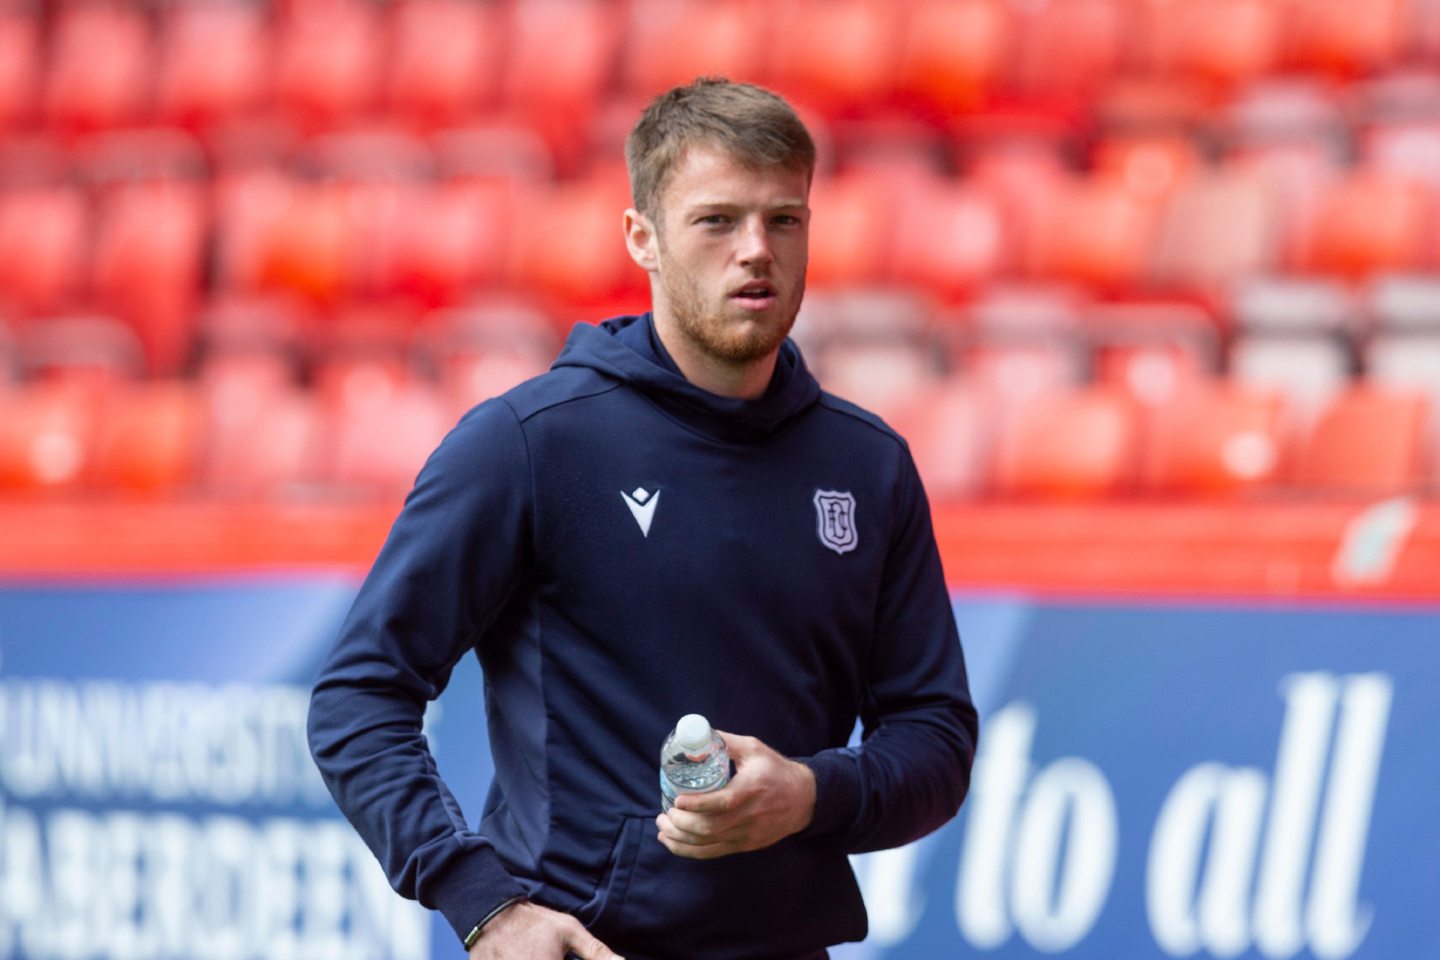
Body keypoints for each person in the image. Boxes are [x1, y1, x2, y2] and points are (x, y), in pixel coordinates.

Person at [307, 77, 978, 960]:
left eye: (785, 220)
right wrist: (483, 904)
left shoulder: (868, 466)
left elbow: (935, 740)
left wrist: (812, 794)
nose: (757, 252)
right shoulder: (529, 444)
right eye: (717, 221)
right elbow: (359, 696)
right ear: (643, 239)